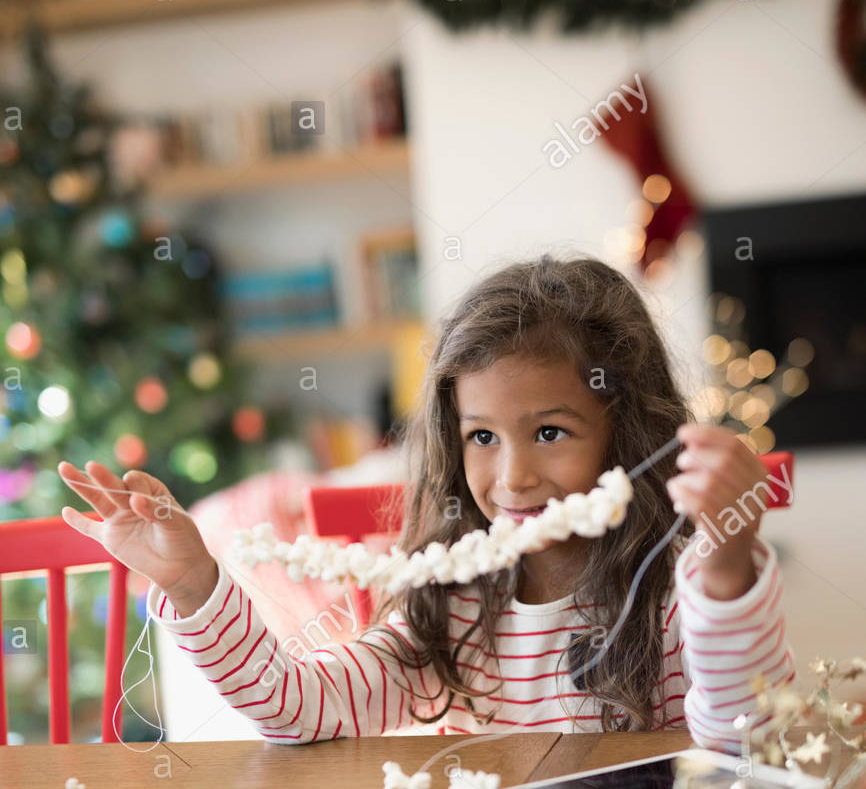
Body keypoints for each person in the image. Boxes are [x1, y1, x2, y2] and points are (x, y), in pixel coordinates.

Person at [59, 255, 794, 748]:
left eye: (548, 431)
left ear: (626, 430)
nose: (512, 477)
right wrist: (193, 586)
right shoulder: (451, 605)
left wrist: (728, 563)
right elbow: (296, 707)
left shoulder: (677, 588)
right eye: (481, 436)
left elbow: (748, 743)